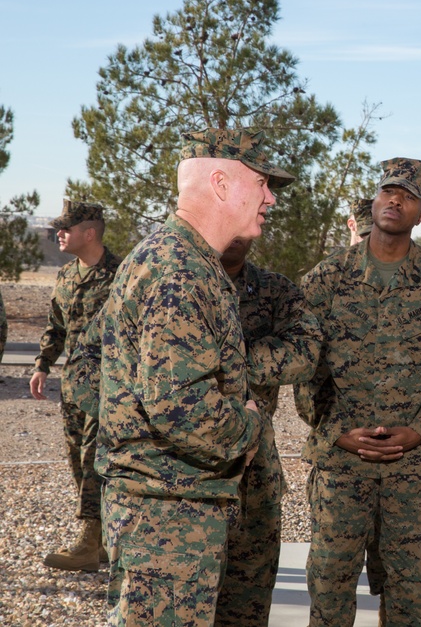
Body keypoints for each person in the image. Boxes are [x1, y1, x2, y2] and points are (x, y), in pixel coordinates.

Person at [97, 128, 294, 626]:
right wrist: (249, 425)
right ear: (222, 184)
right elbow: (181, 410)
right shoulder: (178, 270)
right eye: (263, 184)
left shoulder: (192, 262)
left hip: (184, 506)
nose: (270, 198)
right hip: (167, 521)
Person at [296, 157, 421, 627]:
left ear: (420, 215)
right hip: (340, 465)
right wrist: (337, 430)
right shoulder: (325, 279)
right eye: (388, 191)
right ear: (373, 201)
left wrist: (420, 430)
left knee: (412, 596)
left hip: (415, 468)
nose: (396, 199)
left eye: (409, 196)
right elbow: (303, 367)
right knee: (330, 589)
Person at [214, 237, 322, 626]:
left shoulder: (275, 289)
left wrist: (227, 361)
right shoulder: (179, 282)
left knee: (249, 591)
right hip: (189, 461)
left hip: (255, 460)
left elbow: (306, 351)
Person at [31, 200, 121, 572]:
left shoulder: (122, 274)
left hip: (110, 388)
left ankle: (88, 543)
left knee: (92, 460)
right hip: (74, 387)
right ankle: (98, 539)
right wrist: (42, 365)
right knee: (75, 460)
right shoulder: (67, 276)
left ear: (90, 232)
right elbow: (57, 324)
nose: (59, 235)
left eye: (66, 229)